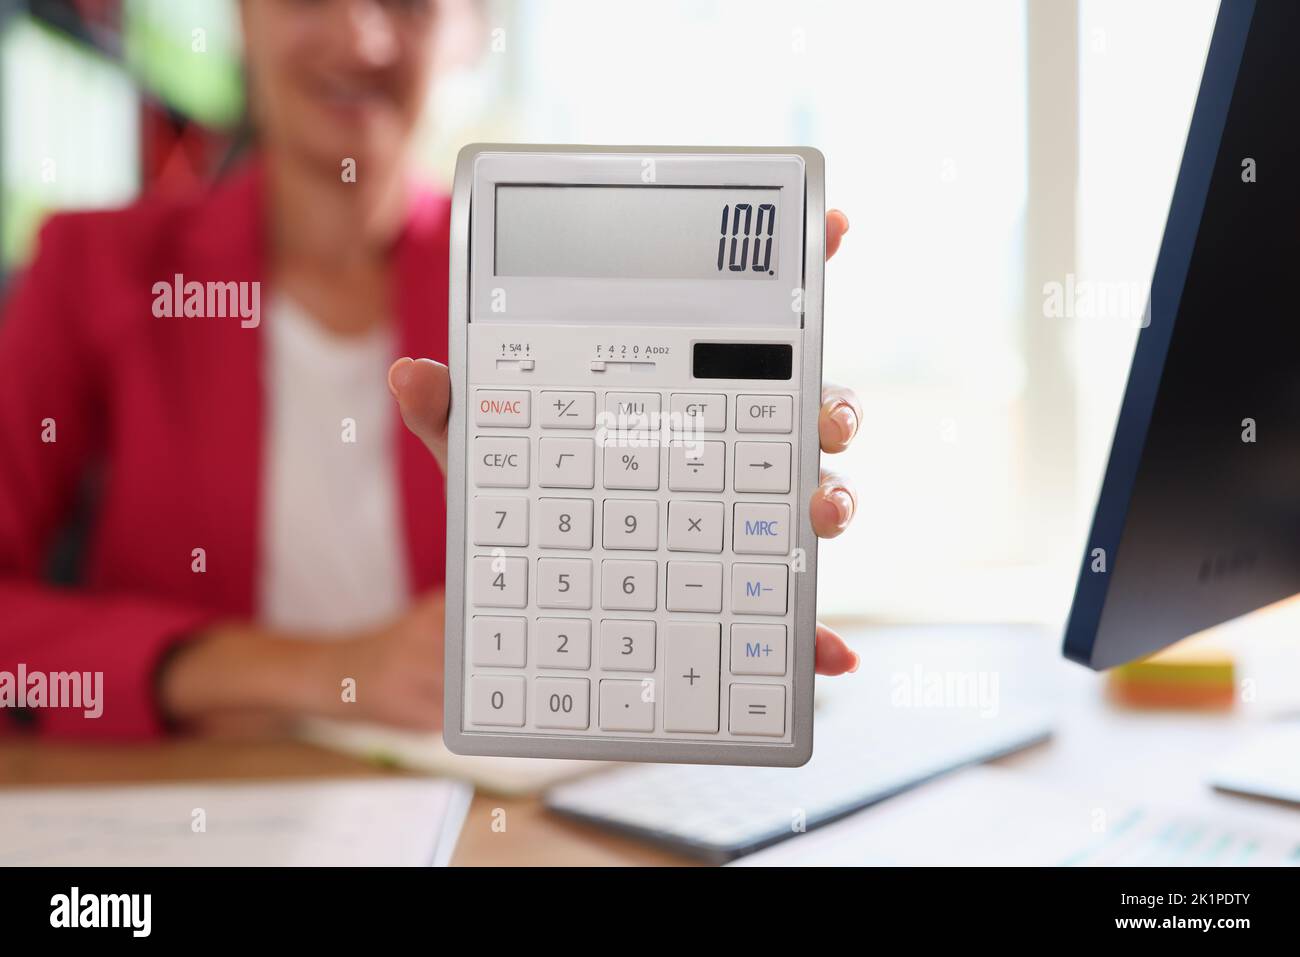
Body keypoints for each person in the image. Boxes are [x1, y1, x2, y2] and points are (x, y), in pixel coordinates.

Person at [0, 0, 862, 740]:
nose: (362, 39)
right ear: (241, 15)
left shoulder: (543, 272)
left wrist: (723, 533)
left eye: (408, 0)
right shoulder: (94, 268)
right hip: (192, 800)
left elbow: (607, 563)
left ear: (464, 28)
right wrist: (330, 671)